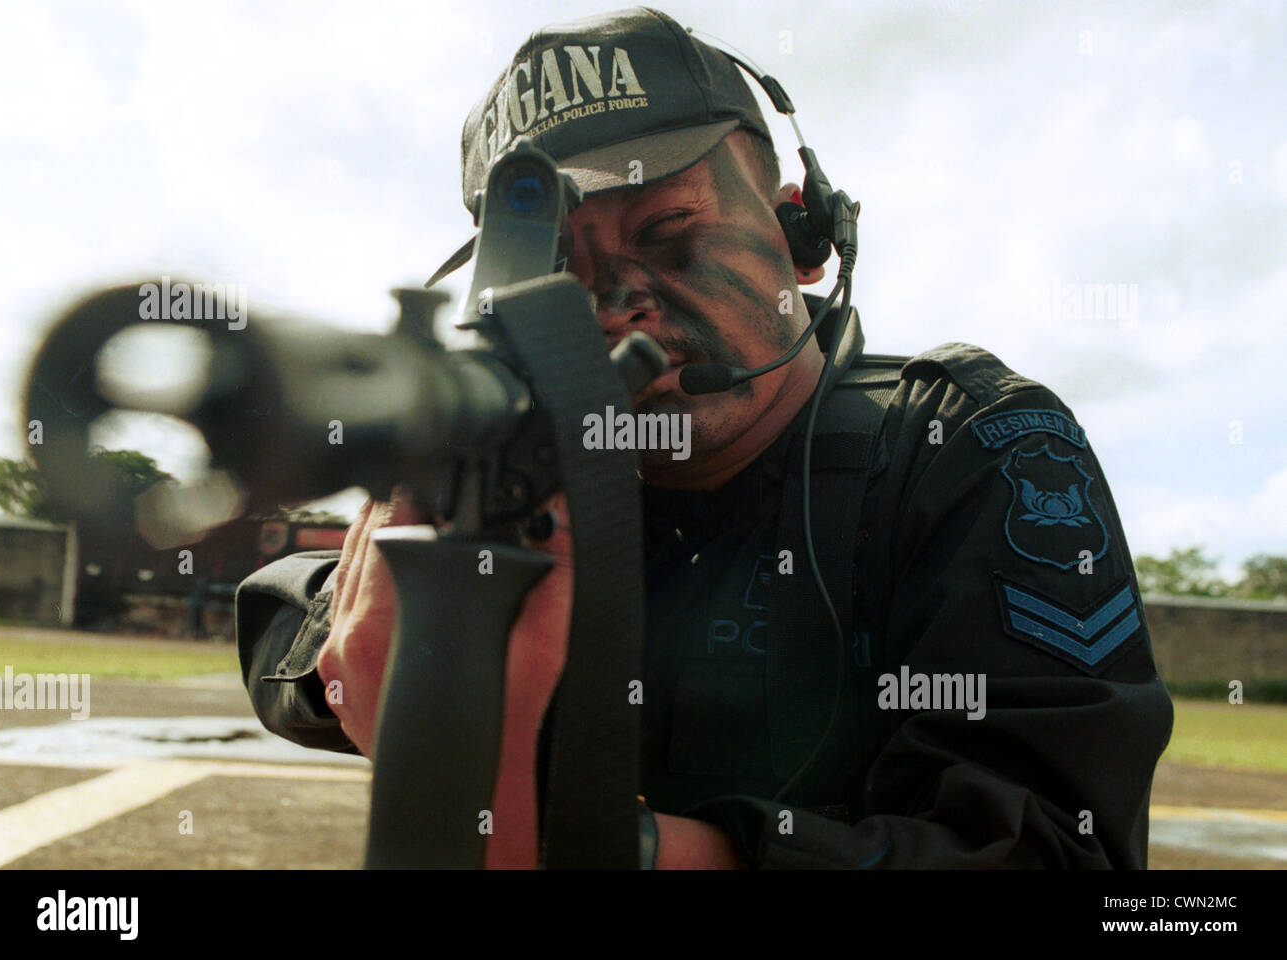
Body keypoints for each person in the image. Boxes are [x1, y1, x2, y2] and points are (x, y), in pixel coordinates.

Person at [235, 7, 1173, 869]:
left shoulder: (963, 445)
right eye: (560, 271)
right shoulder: (540, 473)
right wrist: (408, 626)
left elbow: (1054, 846)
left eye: (671, 231)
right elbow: (281, 624)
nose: (613, 306)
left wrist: (620, 849)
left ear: (801, 233)